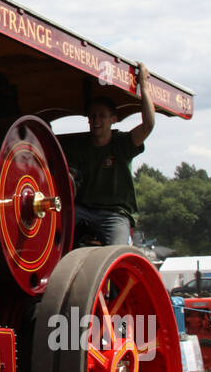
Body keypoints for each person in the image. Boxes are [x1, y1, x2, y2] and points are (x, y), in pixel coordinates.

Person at [59, 63, 155, 246]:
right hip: (83, 210)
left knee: (116, 252)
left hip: (115, 214)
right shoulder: (80, 146)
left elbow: (148, 124)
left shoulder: (123, 143)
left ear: (113, 119)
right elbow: (70, 175)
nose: (96, 121)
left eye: (102, 116)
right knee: (56, 218)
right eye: (92, 116)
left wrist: (143, 84)